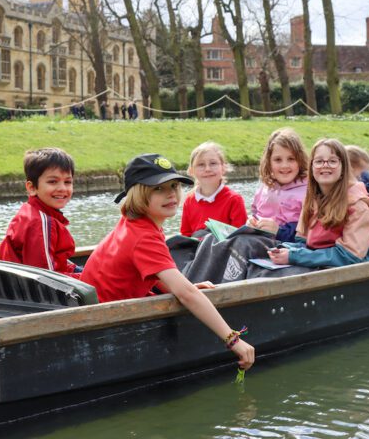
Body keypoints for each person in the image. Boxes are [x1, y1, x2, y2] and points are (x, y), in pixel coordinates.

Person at [81, 153, 255, 370]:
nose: (171, 194)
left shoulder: (135, 223)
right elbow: (187, 295)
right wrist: (233, 339)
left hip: (100, 312)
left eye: (174, 186)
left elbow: (155, 273)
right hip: (106, 328)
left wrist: (186, 286)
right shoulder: (144, 236)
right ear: (138, 195)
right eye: (158, 189)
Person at [268, 139, 369, 269]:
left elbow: (350, 256)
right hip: (320, 259)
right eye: (319, 161)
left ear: (343, 167)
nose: (325, 165)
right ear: (311, 167)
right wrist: (283, 250)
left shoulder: (359, 204)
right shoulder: (311, 198)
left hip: (354, 267)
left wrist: (295, 256)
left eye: (332, 161)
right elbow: (303, 242)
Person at [0, 148, 79, 276]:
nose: (62, 188)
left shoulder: (32, 212)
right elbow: (47, 278)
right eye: (52, 182)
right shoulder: (40, 223)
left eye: (67, 182)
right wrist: (87, 278)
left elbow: (55, 261)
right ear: (32, 188)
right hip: (26, 291)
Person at [249, 127, 309, 242]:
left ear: (300, 161)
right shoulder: (264, 188)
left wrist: (278, 231)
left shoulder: (308, 192)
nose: (284, 165)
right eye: (278, 160)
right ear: (269, 162)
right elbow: (255, 213)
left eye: (291, 159)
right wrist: (251, 222)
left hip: (288, 248)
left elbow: (309, 234)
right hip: (259, 240)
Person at [180, 141, 248, 237]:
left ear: (223, 167)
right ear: (191, 171)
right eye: (201, 165)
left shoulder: (234, 199)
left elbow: (240, 237)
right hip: (196, 250)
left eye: (213, 163)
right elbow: (186, 235)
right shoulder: (189, 201)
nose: (207, 169)